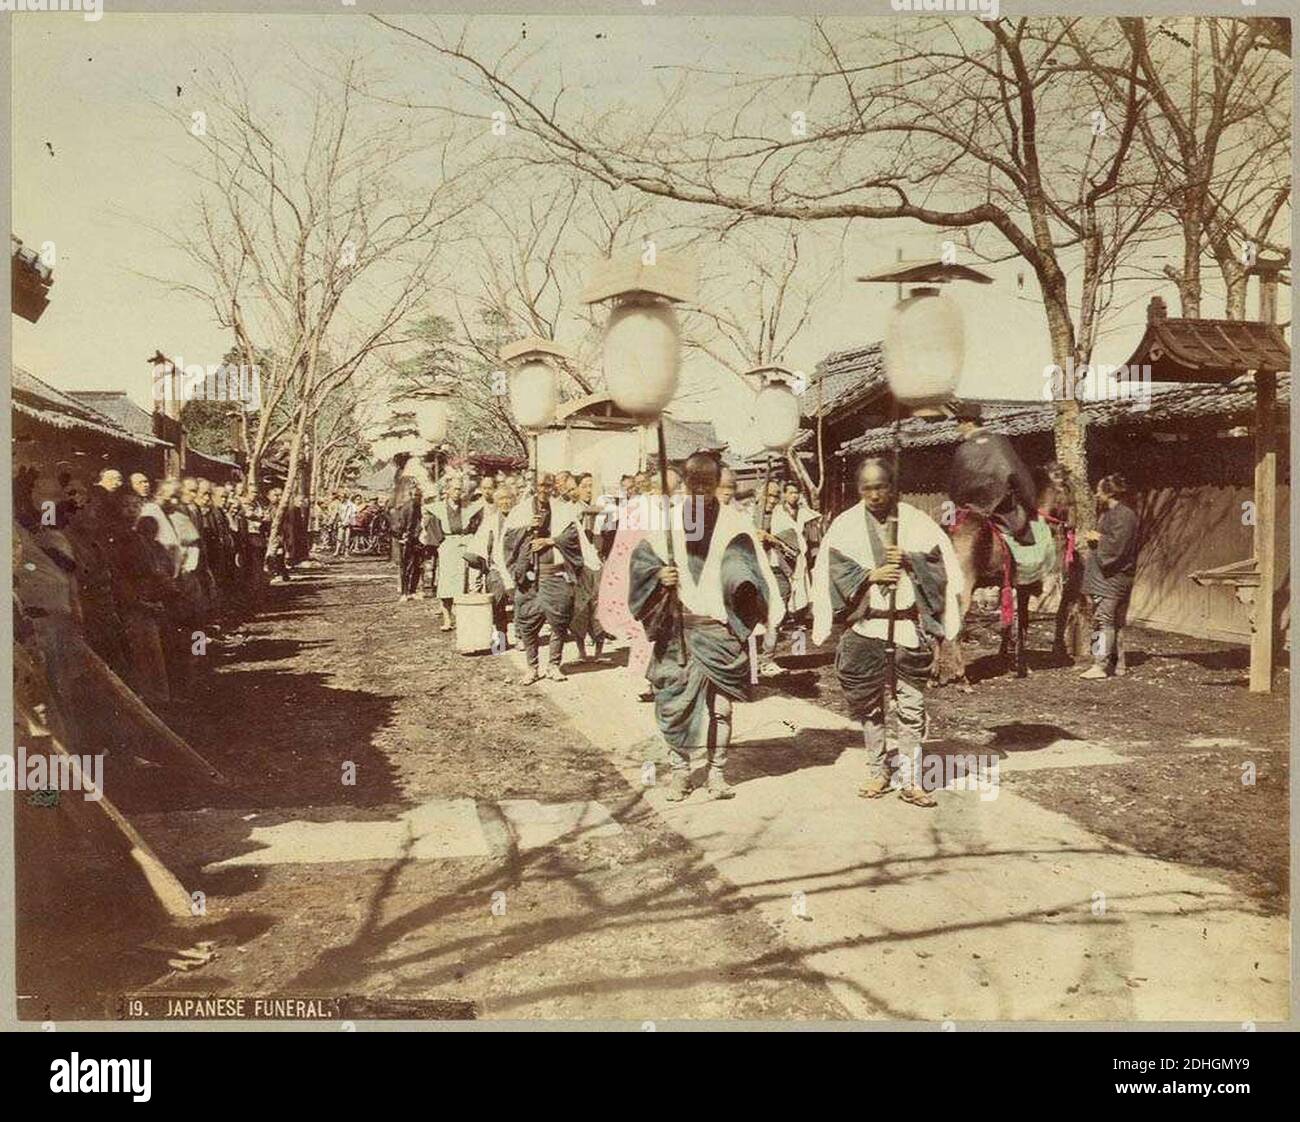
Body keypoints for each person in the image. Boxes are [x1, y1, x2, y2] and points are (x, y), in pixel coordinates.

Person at [628, 452, 784, 801]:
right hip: (679, 631)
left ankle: (717, 773)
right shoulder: (667, 522)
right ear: (685, 482)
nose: (700, 489)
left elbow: (756, 570)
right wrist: (659, 575)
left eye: (707, 483)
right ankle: (680, 773)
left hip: (719, 632)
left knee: (721, 709)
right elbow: (641, 565)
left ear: (717, 484)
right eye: (694, 482)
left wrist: (756, 601)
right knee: (675, 708)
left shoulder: (735, 524)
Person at [811, 458, 963, 808]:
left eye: (881, 487)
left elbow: (940, 566)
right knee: (869, 704)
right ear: (859, 489)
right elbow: (834, 568)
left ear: (892, 486)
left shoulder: (916, 521)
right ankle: (878, 771)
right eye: (867, 488)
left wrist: (910, 560)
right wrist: (871, 575)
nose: (875, 495)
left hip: (907, 627)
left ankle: (911, 780)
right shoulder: (845, 525)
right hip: (868, 627)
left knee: (911, 705)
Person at [505, 473, 599, 682]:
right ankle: (532, 667)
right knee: (528, 623)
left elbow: (573, 537)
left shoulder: (563, 511)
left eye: (548, 486)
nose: (544, 489)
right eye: (540, 485)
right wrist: (527, 529)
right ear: (534, 486)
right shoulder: (520, 511)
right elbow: (509, 541)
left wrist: (551, 541)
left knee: (559, 622)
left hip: (555, 574)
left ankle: (553, 665)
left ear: (553, 487)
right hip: (530, 578)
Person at [949, 402, 1039, 546]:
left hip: (968, 509)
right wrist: (1030, 504)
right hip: (1002, 508)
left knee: (945, 535)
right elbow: (1020, 476)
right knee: (1025, 542)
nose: (957, 428)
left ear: (968, 423)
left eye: (958, 423)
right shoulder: (999, 442)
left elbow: (954, 487)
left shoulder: (962, 449)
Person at [1081, 473, 1140, 680]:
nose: (1096, 494)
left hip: (1112, 577)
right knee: (1114, 622)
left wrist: (1097, 538)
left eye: (1099, 491)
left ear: (1110, 493)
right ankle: (1118, 664)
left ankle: (1099, 665)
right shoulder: (1112, 513)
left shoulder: (1124, 515)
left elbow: (1117, 547)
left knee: (1102, 620)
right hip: (1108, 576)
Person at [424, 473, 484, 631]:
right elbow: (434, 532)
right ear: (448, 490)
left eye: (460, 490)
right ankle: (447, 619)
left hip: (466, 544)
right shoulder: (438, 509)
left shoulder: (469, 508)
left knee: (467, 582)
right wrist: (438, 546)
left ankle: (465, 617)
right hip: (448, 546)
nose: (458, 492)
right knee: (447, 584)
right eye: (455, 489)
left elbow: (477, 526)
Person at [465, 482, 517, 644]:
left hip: (517, 567)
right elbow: (479, 547)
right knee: (497, 597)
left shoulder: (520, 519)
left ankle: (521, 636)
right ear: (496, 501)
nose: (505, 502)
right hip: (497, 568)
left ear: (514, 500)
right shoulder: (491, 521)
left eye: (508, 498)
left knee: (522, 600)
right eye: (501, 499)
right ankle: (501, 638)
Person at [569, 472, 608, 661]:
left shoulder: (598, 511)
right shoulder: (572, 511)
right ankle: (581, 651)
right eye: (584, 486)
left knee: (599, 605)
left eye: (591, 486)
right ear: (577, 488)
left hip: (597, 563)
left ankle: (599, 651)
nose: (588, 490)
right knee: (580, 608)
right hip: (580, 564)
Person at [391, 477, 425, 602]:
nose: (418, 497)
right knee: (406, 566)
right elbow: (403, 524)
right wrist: (403, 536)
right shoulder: (408, 507)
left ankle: (412, 591)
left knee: (417, 565)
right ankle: (405, 592)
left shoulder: (418, 507)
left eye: (419, 495)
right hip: (407, 539)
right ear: (411, 495)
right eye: (415, 495)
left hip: (416, 539)